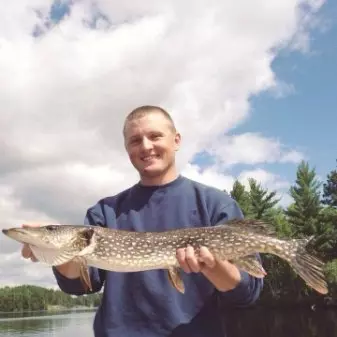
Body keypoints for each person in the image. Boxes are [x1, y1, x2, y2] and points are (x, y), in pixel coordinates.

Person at [22, 105, 264, 337]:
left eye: (155, 136)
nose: (146, 146)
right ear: (127, 149)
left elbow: (246, 294)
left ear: (176, 140)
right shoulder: (105, 212)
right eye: (135, 140)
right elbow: (82, 286)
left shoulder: (216, 204)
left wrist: (213, 266)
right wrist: (56, 253)